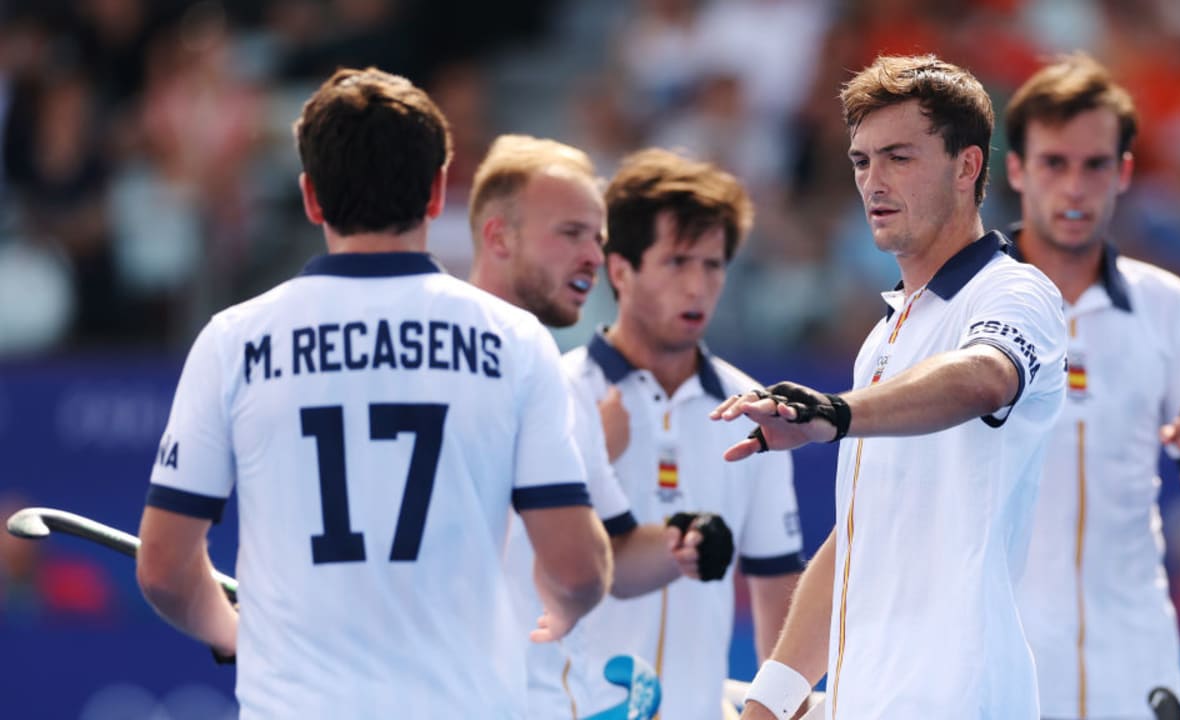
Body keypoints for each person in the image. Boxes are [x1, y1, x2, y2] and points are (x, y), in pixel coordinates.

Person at [134, 67, 611, 719]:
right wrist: (563, 613)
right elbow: (577, 567)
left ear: (311, 197)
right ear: (439, 191)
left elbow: (163, 569)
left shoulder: (233, 340)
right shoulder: (515, 340)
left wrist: (235, 632)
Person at [714, 54, 1070, 719]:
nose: (873, 182)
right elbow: (857, 539)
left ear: (967, 167)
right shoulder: (884, 336)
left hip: (962, 700)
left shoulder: (1016, 291)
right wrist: (769, 704)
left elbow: (984, 377)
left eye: (899, 157)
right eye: (861, 161)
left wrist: (836, 415)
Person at [1003, 53, 1180, 719]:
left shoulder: (1165, 303)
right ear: (1016, 170)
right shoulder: (965, 299)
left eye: (1094, 165)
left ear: (1124, 173)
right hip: (999, 655)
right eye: (1054, 163)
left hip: (1134, 654)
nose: (1075, 187)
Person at [467, 133, 731, 717]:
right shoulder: (464, 371)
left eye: (596, 234)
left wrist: (681, 543)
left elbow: (615, 558)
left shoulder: (560, 384)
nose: (593, 255)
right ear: (498, 236)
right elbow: (583, 574)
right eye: (570, 233)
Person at [562, 147, 805, 720]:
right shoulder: (558, 392)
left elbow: (777, 589)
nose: (699, 286)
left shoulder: (757, 411)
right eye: (677, 262)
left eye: (713, 264)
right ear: (619, 269)